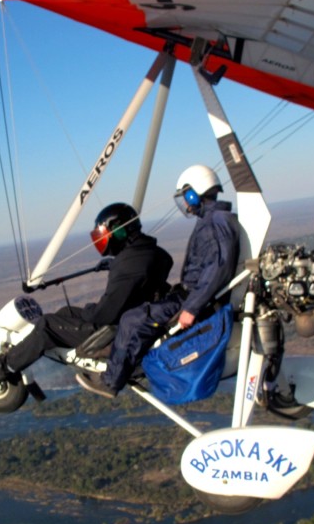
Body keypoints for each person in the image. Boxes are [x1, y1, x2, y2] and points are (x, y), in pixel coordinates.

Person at [76, 164, 240, 398]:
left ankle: (111, 382)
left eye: (186, 196)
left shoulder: (216, 223)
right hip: (189, 295)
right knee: (142, 311)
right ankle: (119, 357)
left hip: (192, 300)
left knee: (132, 320)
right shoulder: (213, 220)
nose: (185, 203)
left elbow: (218, 269)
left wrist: (191, 309)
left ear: (194, 193)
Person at [0, 202, 172, 384]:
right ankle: (19, 354)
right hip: (132, 319)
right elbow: (136, 283)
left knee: (47, 326)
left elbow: (105, 315)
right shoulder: (155, 254)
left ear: (118, 231)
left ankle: (4, 368)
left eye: (103, 235)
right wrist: (115, 266)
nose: (101, 240)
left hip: (113, 331)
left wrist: (92, 310)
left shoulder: (129, 264)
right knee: (66, 313)